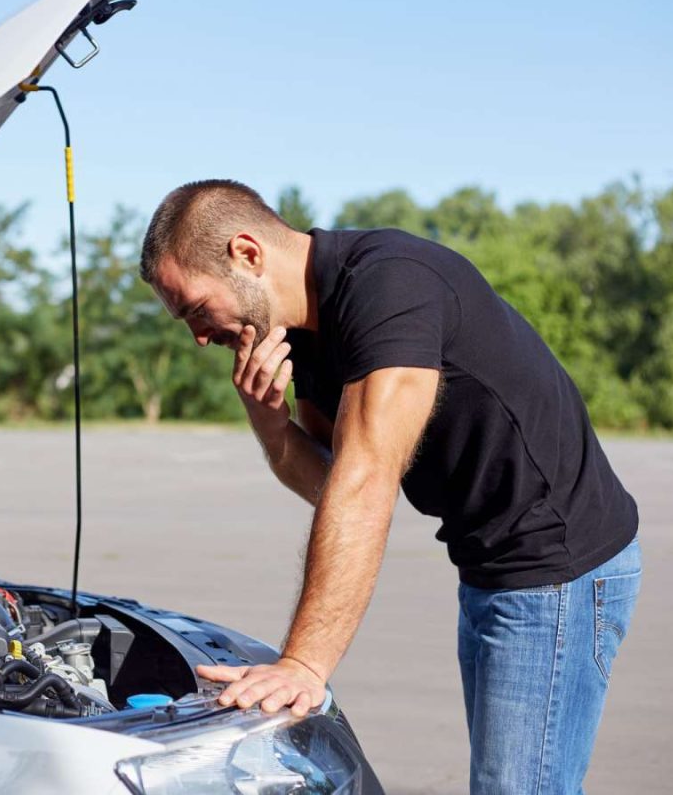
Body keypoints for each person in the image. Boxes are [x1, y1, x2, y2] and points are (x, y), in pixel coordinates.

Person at [139, 179, 641, 794]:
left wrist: (303, 663)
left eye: (193, 308)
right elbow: (330, 478)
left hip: (555, 569)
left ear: (247, 253)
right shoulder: (303, 329)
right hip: (489, 564)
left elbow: (367, 481)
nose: (196, 336)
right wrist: (271, 428)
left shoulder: (389, 285)